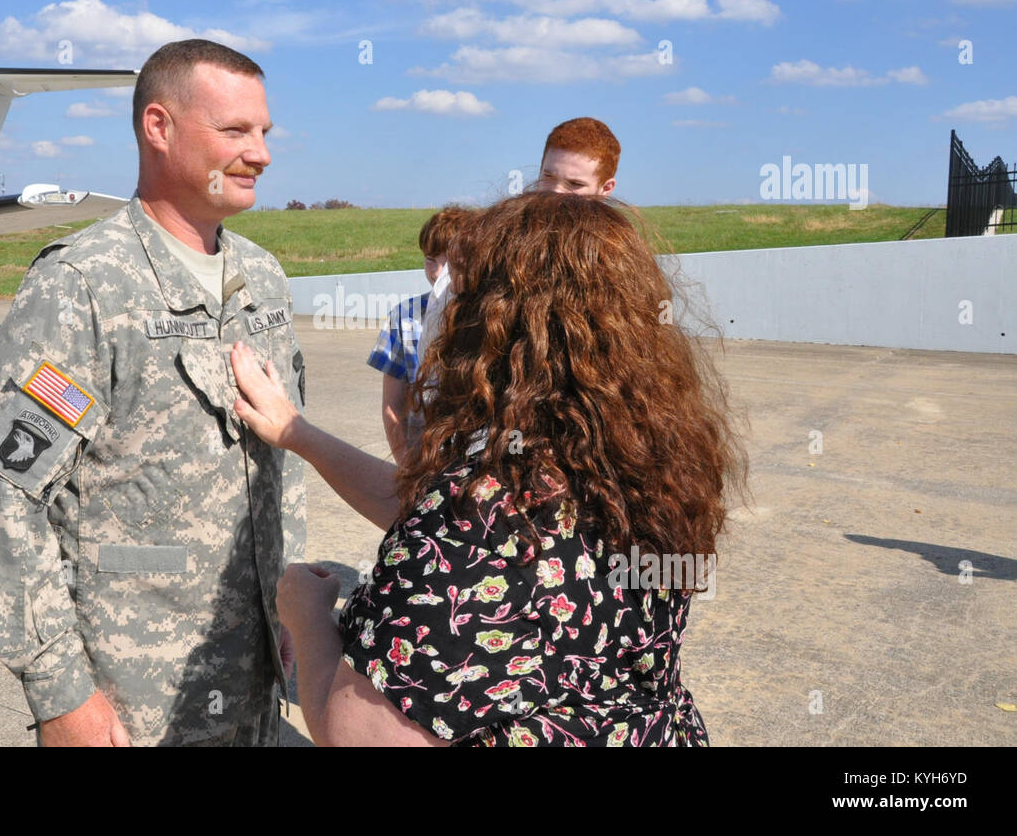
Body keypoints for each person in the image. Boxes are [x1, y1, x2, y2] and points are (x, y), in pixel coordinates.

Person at [228, 190, 746, 746]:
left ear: (489, 328)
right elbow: (435, 515)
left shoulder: (486, 513)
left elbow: (357, 735)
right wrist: (299, 435)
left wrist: (309, 618)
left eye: (460, 296)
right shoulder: (648, 463)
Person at [0, 39, 306, 747]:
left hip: (255, 683)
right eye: (235, 131)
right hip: (135, 702)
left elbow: (280, 471)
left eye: (264, 132)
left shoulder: (263, 279)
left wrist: (292, 605)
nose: (261, 153)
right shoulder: (84, 283)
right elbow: (3, 496)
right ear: (158, 127)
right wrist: (61, 694)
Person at [415, 117, 622, 418]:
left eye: (575, 184)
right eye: (548, 176)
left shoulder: (620, 265)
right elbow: (437, 362)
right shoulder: (491, 247)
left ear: (606, 188)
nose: (555, 193)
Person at [366, 206, 471, 461]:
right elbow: (393, 405)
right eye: (431, 259)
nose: (438, 272)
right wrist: (405, 464)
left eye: (451, 262)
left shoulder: (494, 315)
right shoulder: (405, 316)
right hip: (425, 462)